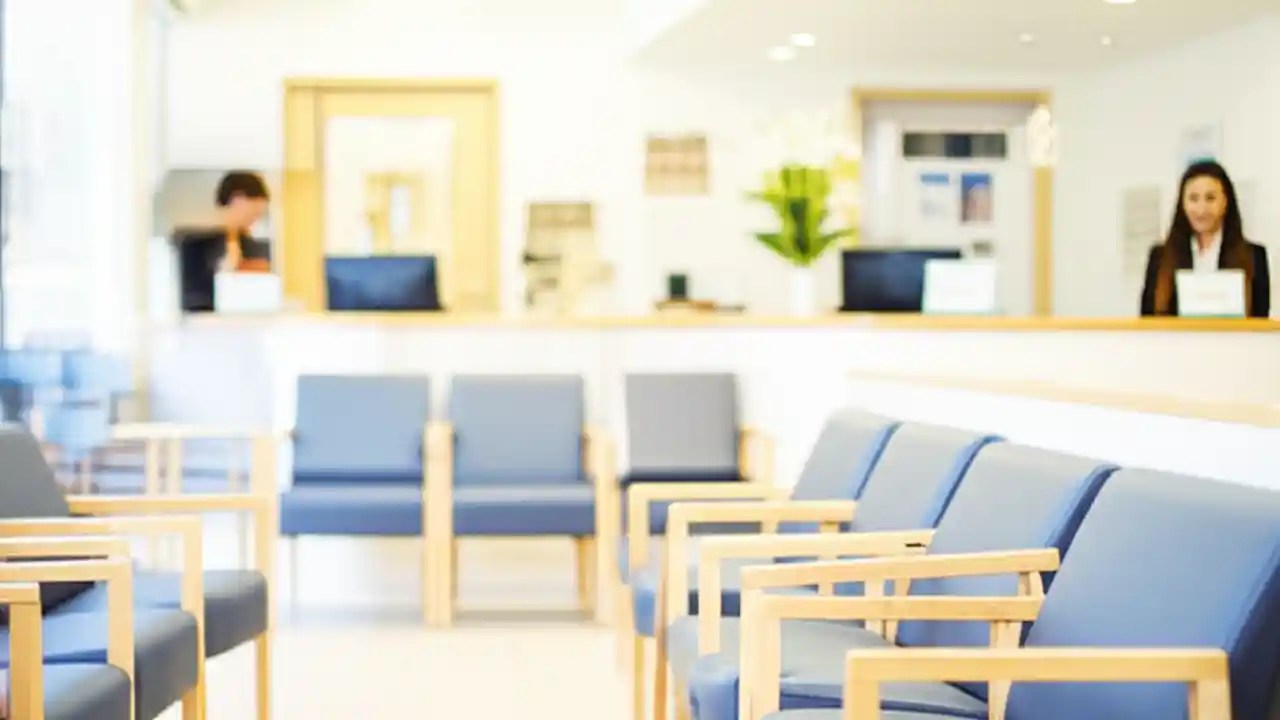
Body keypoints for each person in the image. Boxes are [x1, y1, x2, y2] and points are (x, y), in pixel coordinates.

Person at [1140, 161, 1270, 318]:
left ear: (1225, 202)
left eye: (1210, 198)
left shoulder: (1254, 256)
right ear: (1182, 204)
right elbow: (1147, 319)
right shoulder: (1160, 257)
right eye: (1193, 199)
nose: (1201, 209)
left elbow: (1260, 321)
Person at [177, 171, 274, 312]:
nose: (254, 221)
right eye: (253, 213)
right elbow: (192, 296)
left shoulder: (255, 247)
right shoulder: (193, 245)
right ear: (237, 200)